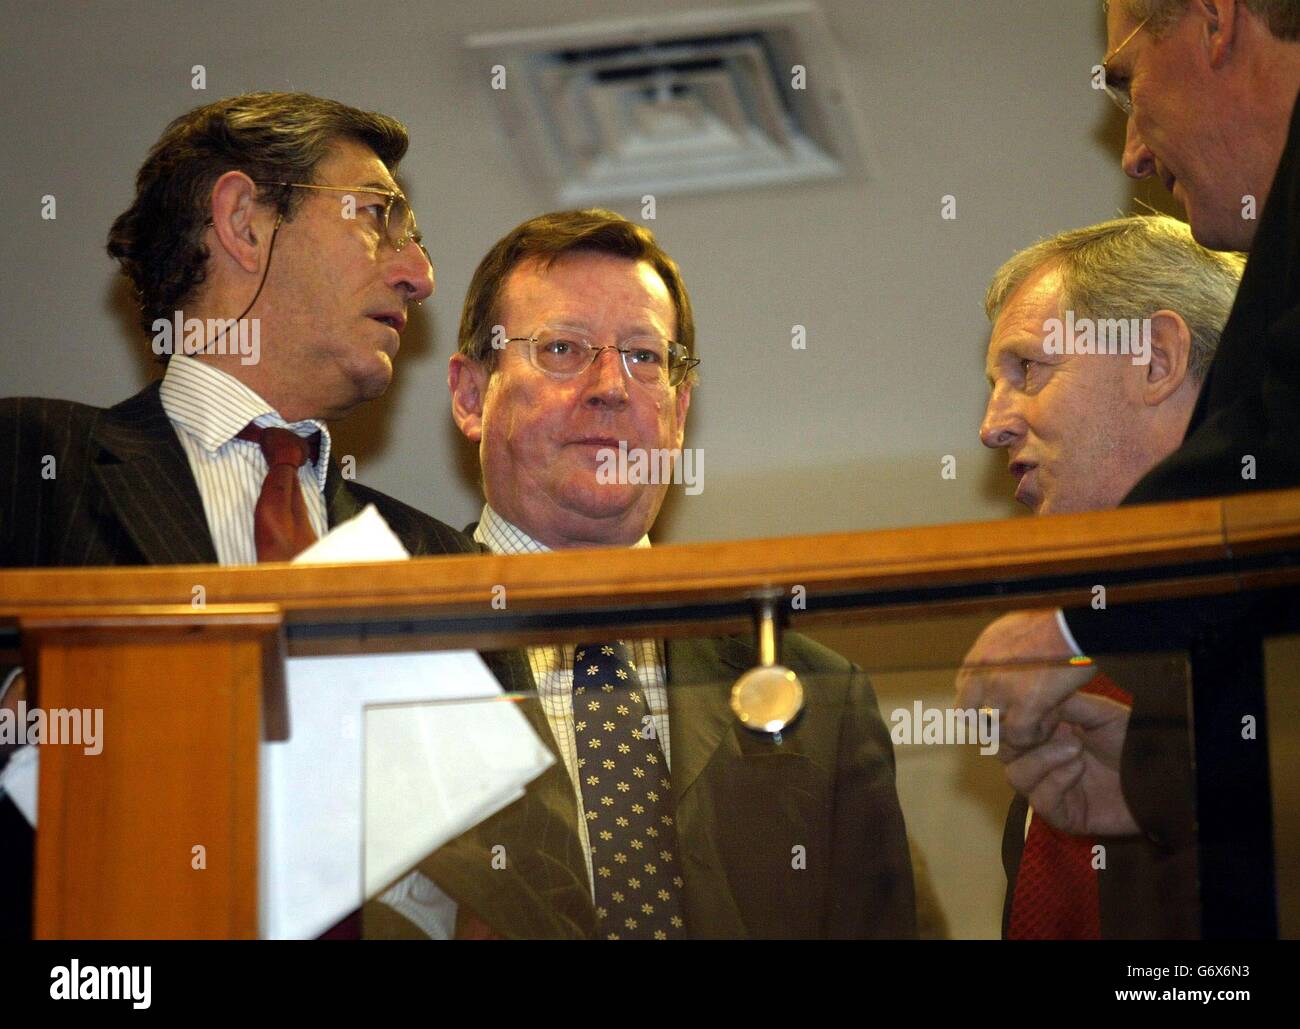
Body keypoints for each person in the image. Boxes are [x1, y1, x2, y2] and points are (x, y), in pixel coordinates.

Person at [0, 91, 531, 939]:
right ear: (244, 221)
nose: (420, 274)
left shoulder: (441, 565)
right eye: (380, 217)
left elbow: (513, 888)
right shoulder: (29, 462)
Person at [374, 209, 916, 939]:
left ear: (679, 409)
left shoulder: (819, 695)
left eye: (644, 356)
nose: (610, 386)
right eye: (563, 348)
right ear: (471, 395)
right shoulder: (379, 665)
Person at [958, 0, 1300, 917]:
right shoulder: (1094, 743)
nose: (993, 426)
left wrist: (1074, 620)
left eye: (1030, 368)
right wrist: (1177, 786)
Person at [979, 214, 1244, 938]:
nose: (991, 424)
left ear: (1155, 359)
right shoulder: (1066, 706)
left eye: (1026, 369)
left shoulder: (1272, 622)